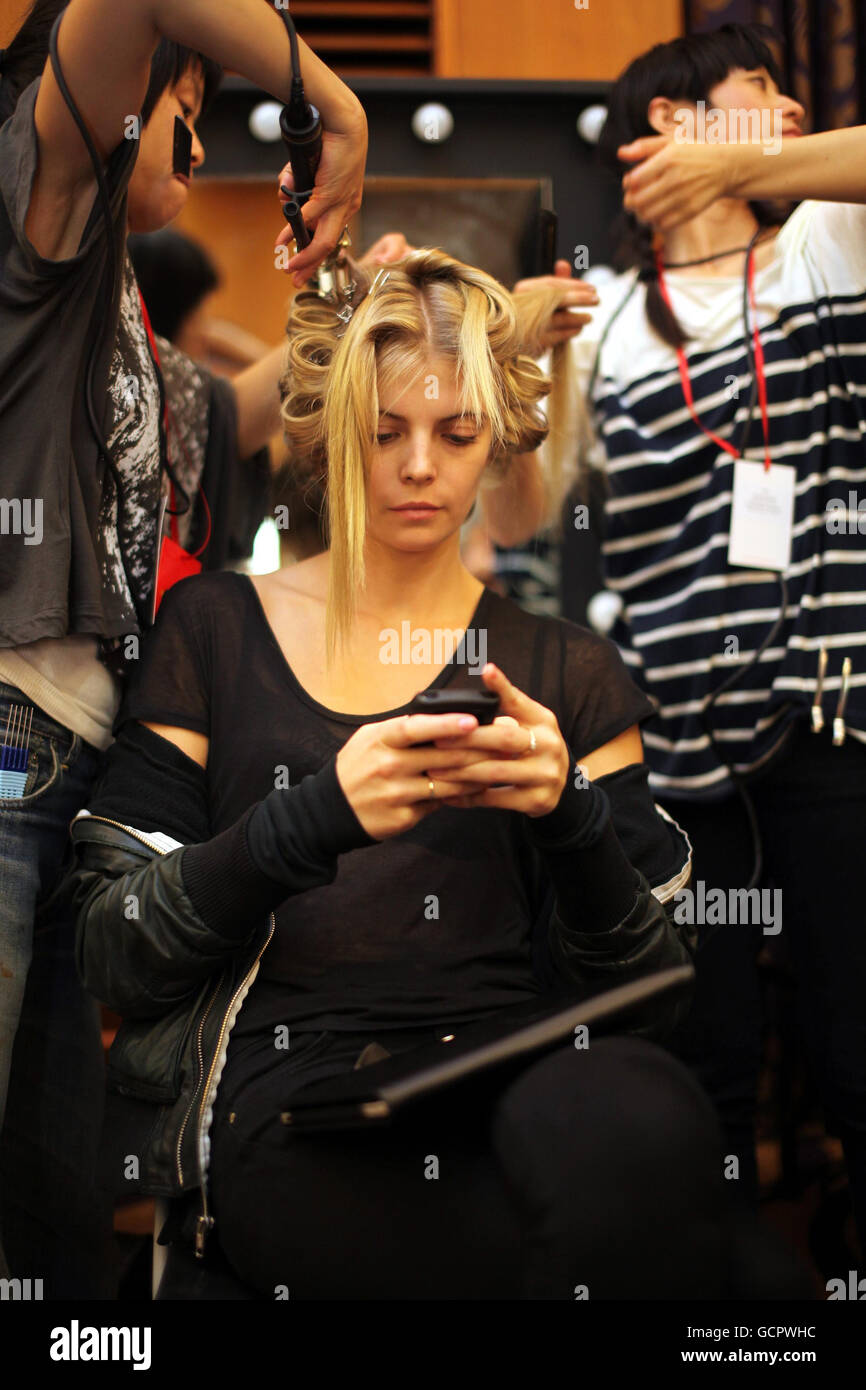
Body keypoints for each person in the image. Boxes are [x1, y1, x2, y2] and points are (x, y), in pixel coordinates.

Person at [63, 244, 802, 1302]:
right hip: (298, 1091)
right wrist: (309, 818)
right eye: (385, 433)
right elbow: (111, 949)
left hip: (526, 1066)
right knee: (692, 1271)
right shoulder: (218, 630)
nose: (419, 467)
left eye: (454, 434)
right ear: (331, 441)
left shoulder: (567, 671)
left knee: (646, 1130)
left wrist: (570, 817)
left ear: (496, 438)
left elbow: (644, 998)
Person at [0, 0, 366, 1294]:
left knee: (49, 1197)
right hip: (9, 739)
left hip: (67, 775)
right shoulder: (38, 190)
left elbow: (235, 412)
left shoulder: (117, 326)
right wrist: (340, 106)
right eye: (186, 116)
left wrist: (350, 303)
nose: (199, 154)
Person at [514, 22, 866, 1257]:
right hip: (674, 743)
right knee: (699, 1054)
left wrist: (743, 166)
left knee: (853, 1040)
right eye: (751, 89)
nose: (781, 104)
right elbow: (517, 516)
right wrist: (515, 370)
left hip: (833, 718)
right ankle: (719, 1298)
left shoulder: (823, 243)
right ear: (664, 125)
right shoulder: (601, 315)